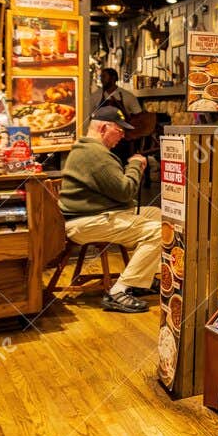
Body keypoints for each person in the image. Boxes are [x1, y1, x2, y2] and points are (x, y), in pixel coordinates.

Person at [59, 105, 163, 314]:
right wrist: (134, 165)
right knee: (159, 231)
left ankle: (142, 279)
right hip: (87, 222)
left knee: (159, 215)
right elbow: (125, 192)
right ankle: (119, 291)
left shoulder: (88, 149)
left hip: (94, 215)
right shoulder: (96, 155)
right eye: (120, 130)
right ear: (104, 128)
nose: (123, 136)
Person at [96, 68, 144, 163]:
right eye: (101, 76)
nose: (101, 79)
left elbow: (139, 116)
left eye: (104, 76)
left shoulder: (127, 96)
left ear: (113, 78)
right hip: (101, 139)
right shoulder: (95, 96)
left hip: (121, 141)